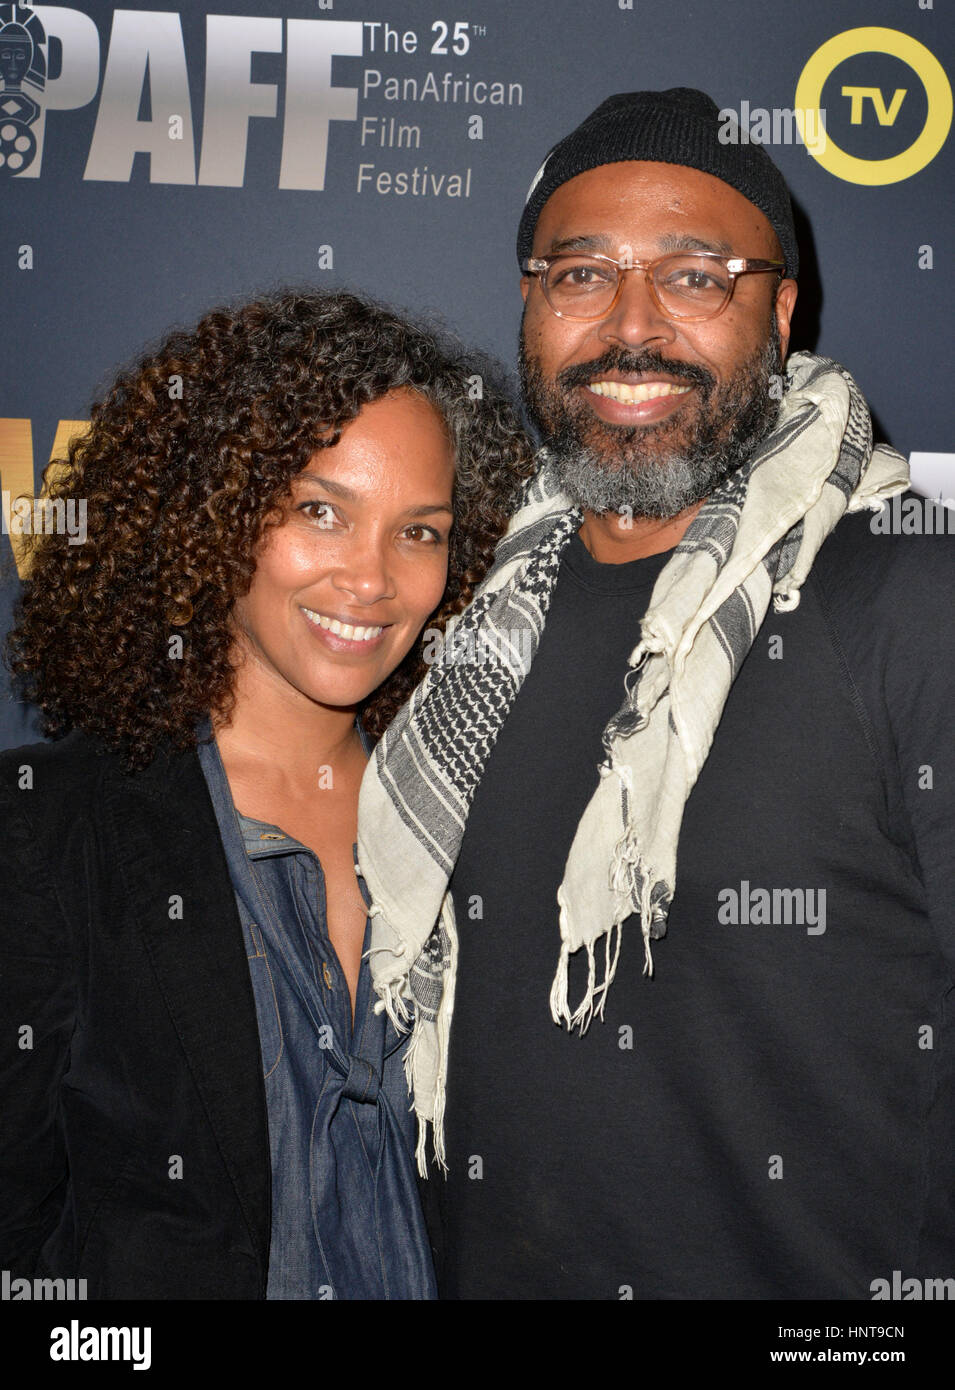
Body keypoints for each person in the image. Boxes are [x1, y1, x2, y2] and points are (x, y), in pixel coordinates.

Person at [358, 89, 955, 1299]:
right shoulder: (458, 621)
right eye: (579, 276)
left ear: (779, 314)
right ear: (529, 304)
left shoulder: (913, 597)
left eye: (695, 277)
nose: (631, 328)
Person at [0, 288, 533, 1299]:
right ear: (214, 512)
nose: (371, 580)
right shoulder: (50, 830)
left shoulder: (484, 825)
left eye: (419, 532)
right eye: (321, 512)